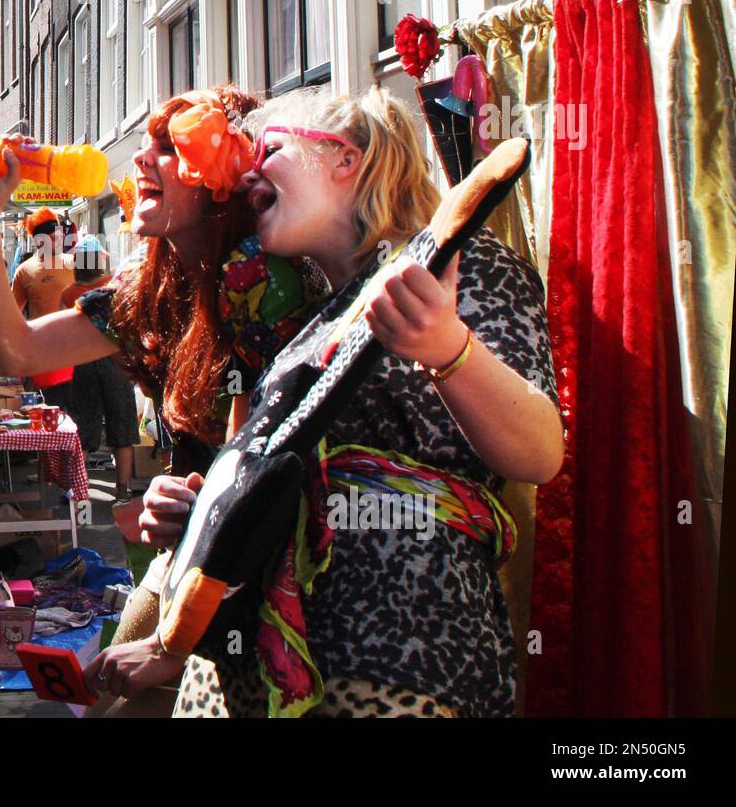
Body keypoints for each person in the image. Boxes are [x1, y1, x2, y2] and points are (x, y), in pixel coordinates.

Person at [90, 86, 564, 717]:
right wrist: (205, 509)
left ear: (347, 161)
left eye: (270, 148)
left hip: (393, 650)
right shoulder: (308, 320)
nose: (249, 169)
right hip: (253, 664)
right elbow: (275, 482)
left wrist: (447, 346)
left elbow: (538, 452)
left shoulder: (461, 264)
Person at [0, 89, 326, 706]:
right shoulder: (149, 280)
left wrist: (186, 496)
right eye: (147, 144)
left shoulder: (259, 280)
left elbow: (257, 460)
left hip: (267, 566)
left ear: (219, 176)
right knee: (105, 695)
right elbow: (14, 352)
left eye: (168, 146)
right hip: (191, 546)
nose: (140, 159)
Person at [59, 236, 139, 503]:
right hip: (114, 360)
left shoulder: (68, 293)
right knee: (122, 426)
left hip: (82, 362)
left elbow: (65, 333)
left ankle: (79, 491)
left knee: (84, 426)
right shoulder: (113, 287)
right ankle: (123, 490)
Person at [10, 208, 77, 409]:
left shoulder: (74, 263)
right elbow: (14, 312)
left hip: (75, 348)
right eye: (50, 235)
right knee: (52, 406)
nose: (56, 238)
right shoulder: (25, 271)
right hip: (43, 349)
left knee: (77, 408)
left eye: (57, 234)